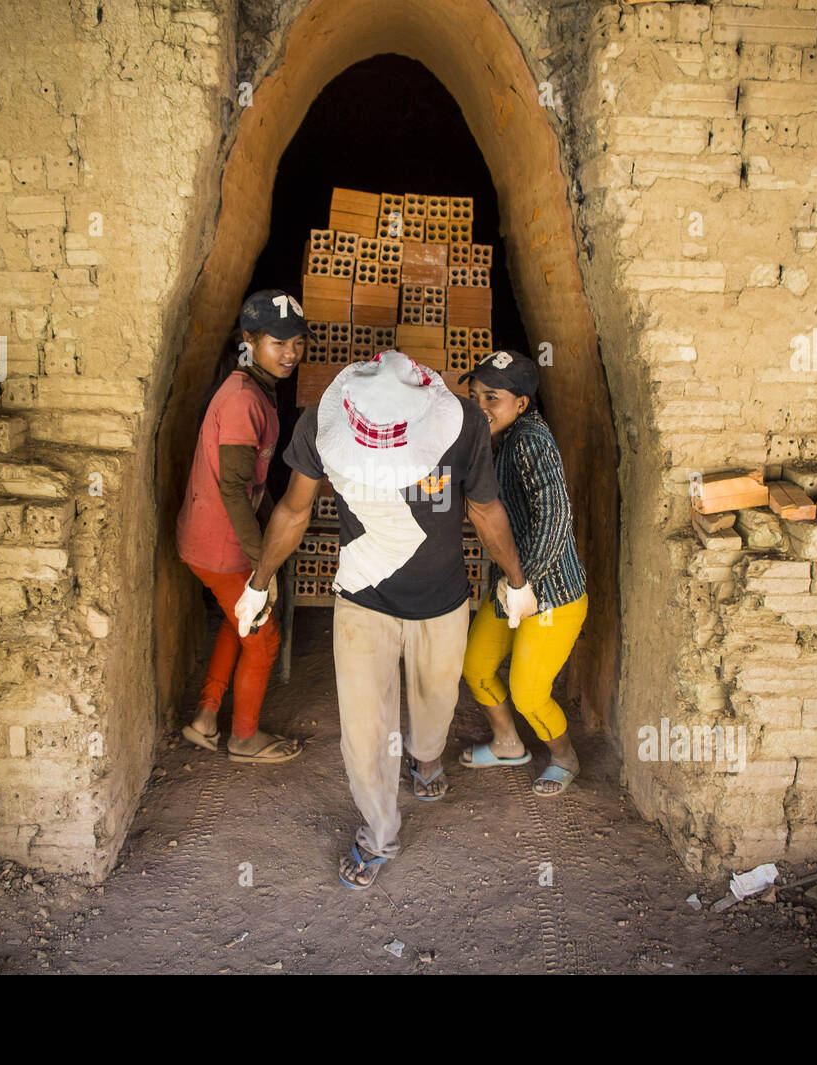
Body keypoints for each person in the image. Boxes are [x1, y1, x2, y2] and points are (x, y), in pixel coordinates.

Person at [232, 350, 538, 888]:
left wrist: (517, 580)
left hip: (442, 598)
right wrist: (258, 584)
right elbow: (294, 510)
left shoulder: (462, 424)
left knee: (435, 701)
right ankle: (379, 830)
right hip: (362, 600)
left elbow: (485, 510)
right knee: (364, 727)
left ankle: (424, 759)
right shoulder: (321, 423)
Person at [173, 289, 307, 764]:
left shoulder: (255, 391)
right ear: (249, 341)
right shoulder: (241, 401)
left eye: (297, 342)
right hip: (221, 544)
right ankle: (243, 737)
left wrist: (276, 518)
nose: (290, 352)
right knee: (264, 634)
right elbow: (233, 489)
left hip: (213, 537)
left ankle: (206, 718)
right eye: (278, 342)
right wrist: (261, 567)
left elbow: (251, 483)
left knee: (239, 621)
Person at [458, 350, 588, 796]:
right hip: (512, 584)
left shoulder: (531, 440)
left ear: (522, 404)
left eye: (492, 397)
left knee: (529, 693)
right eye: (474, 395)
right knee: (474, 666)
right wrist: (512, 584)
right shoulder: (488, 440)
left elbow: (555, 518)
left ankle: (565, 758)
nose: (480, 405)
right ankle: (508, 743)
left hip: (553, 592)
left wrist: (523, 582)